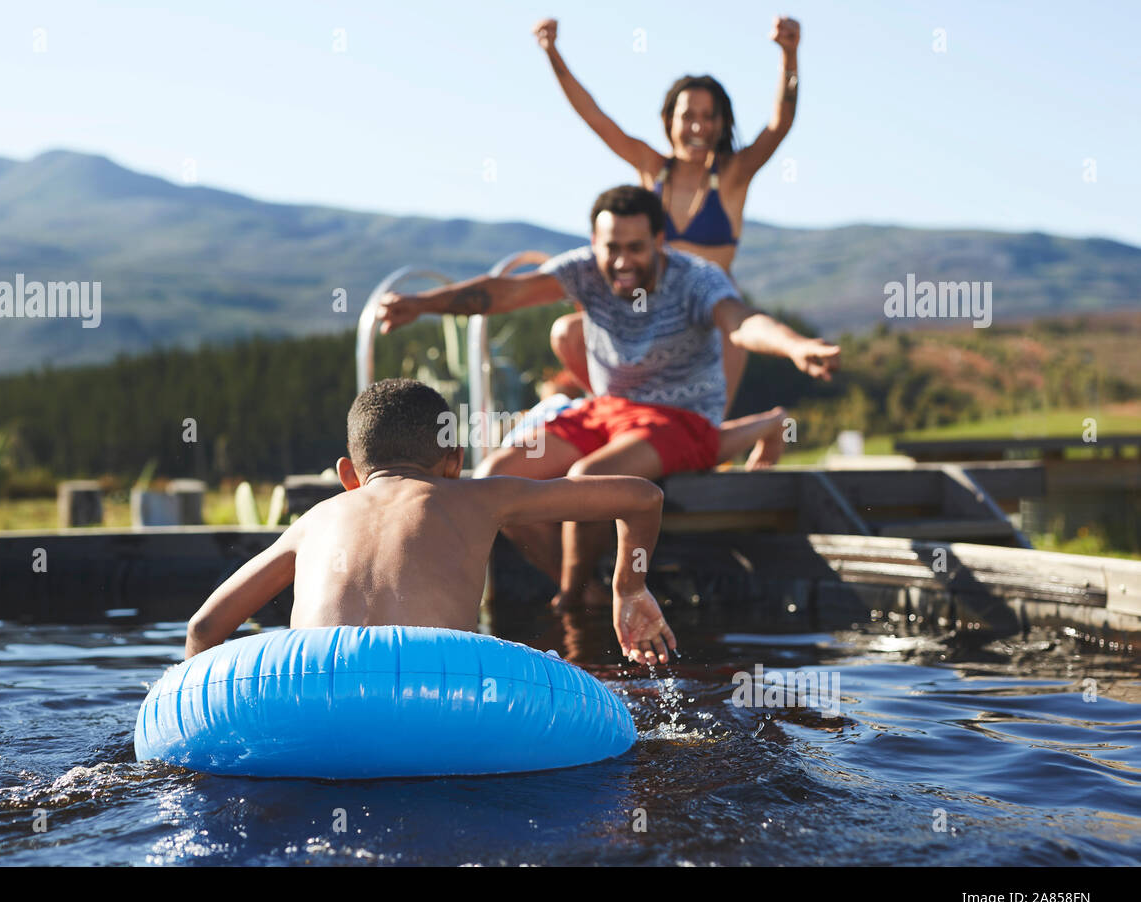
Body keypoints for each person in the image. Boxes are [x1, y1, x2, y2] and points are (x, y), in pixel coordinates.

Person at [374, 186, 838, 606]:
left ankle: (571, 606)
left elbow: (741, 321)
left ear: (659, 241)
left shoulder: (697, 278)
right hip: (606, 409)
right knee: (495, 476)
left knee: (589, 476)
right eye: (611, 247)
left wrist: (797, 346)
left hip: (679, 415)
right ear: (595, 242)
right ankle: (586, 592)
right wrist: (424, 303)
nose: (621, 261)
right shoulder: (583, 270)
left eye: (635, 248)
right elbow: (507, 292)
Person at [184, 378, 678, 664]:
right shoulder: (480, 497)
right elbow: (642, 498)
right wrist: (628, 588)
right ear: (454, 461)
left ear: (347, 475)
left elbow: (204, 628)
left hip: (311, 699)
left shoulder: (314, 521)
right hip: (433, 698)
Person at [534, 15, 801, 466]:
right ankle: (618, 417)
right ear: (669, 121)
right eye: (687, 116)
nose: (697, 126)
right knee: (566, 333)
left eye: (708, 117)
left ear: (720, 124)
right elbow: (596, 119)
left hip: (710, 324)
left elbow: (780, 123)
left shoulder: (733, 176)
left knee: (701, 438)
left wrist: (789, 54)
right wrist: (553, 54)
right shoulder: (650, 169)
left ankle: (769, 426)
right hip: (646, 319)